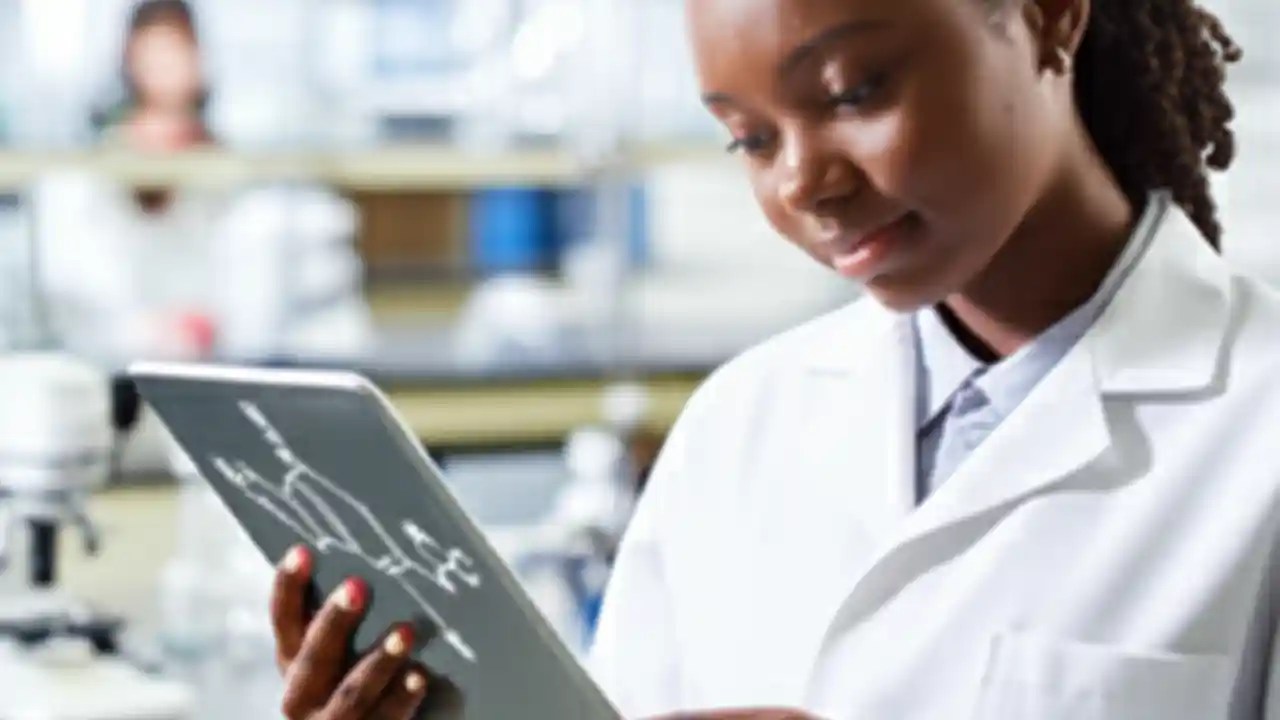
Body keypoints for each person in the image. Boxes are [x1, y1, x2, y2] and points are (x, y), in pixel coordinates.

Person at [268, 0, 1279, 718]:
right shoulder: (740, 422)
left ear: (1052, 14)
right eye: (747, 139)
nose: (804, 184)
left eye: (853, 92)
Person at [27, 0, 372, 366]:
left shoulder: (225, 170)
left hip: (214, 343)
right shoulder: (93, 172)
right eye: (153, 55)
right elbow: (81, 290)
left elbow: (246, 284)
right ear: (129, 60)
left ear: (198, 60)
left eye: (175, 53)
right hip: (129, 347)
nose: (165, 70)